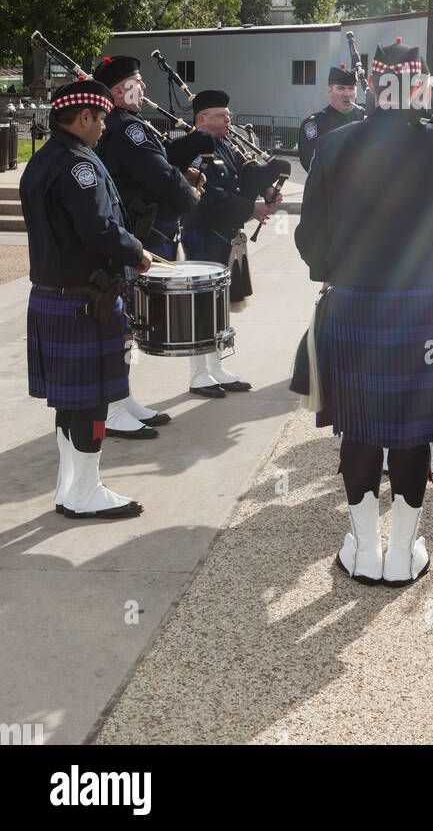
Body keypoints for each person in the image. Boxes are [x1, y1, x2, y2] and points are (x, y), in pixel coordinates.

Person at [295, 39, 433, 586]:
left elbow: (308, 233)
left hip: (354, 300)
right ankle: (401, 554)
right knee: (412, 431)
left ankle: (365, 549)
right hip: (418, 303)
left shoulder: (335, 144)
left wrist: (334, 266)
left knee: (359, 429)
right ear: (420, 86)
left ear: (370, 85)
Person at [20, 80, 153, 519]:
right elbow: (97, 227)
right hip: (85, 303)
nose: (102, 129)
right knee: (94, 405)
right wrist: (136, 251)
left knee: (69, 402)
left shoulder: (41, 161)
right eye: (100, 120)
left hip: (52, 297)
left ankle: (69, 487)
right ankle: (86, 490)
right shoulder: (80, 165)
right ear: (83, 117)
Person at [93, 55, 212, 414]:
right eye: (136, 82)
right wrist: (190, 196)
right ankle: (115, 404)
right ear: (117, 91)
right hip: (141, 234)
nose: (143, 88)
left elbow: (155, 161)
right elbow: (157, 173)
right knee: (127, 320)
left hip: (138, 231)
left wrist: (184, 163)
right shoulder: (126, 127)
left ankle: (123, 398)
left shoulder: (122, 123)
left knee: (129, 319)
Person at [180, 89, 285, 394]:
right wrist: (251, 208)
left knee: (219, 303)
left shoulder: (226, 143)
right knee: (202, 304)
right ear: (201, 119)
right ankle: (197, 373)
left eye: (227, 114)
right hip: (203, 232)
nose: (228, 119)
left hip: (225, 234)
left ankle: (215, 367)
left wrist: (266, 190)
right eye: (220, 115)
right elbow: (210, 195)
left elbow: (243, 175)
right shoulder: (196, 150)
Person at [297, 65, 365, 172]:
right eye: (341, 88)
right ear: (329, 91)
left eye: (351, 88)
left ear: (356, 93)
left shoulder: (365, 118)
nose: (347, 94)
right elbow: (310, 162)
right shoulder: (315, 124)